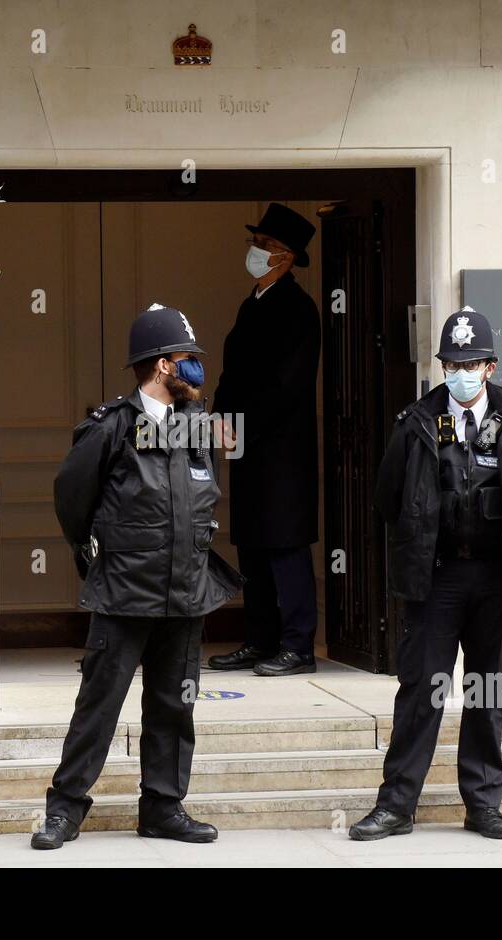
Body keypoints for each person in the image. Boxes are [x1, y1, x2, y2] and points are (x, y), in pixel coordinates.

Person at [31, 303, 242, 850]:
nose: (197, 367)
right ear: (162, 365)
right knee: (99, 703)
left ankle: (163, 808)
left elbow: (204, 496)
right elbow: (71, 499)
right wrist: (94, 557)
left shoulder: (199, 425)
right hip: (126, 590)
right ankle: (65, 809)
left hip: (186, 590)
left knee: (175, 705)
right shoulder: (112, 427)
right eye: (188, 358)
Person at [348, 309, 502, 842]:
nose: (460, 371)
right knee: (421, 691)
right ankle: (396, 806)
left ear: (489, 366)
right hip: (437, 577)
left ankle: (483, 804)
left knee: (487, 692)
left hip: (497, 579)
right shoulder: (415, 422)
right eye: (451, 363)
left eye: (470, 362)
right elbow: (387, 497)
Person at [206, 202, 322, 678]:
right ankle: (259, 639)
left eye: (268, 246)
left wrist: (242, 420)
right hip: (247, 445)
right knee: (251, 542)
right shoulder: (250, 302)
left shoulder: (298, 309)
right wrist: (219, 418)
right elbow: (233, 373)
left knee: (285, 544)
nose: (257, 252)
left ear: (288, 257)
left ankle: (298, 646)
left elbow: (286, 385)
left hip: (283, 449)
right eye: (256, 243)